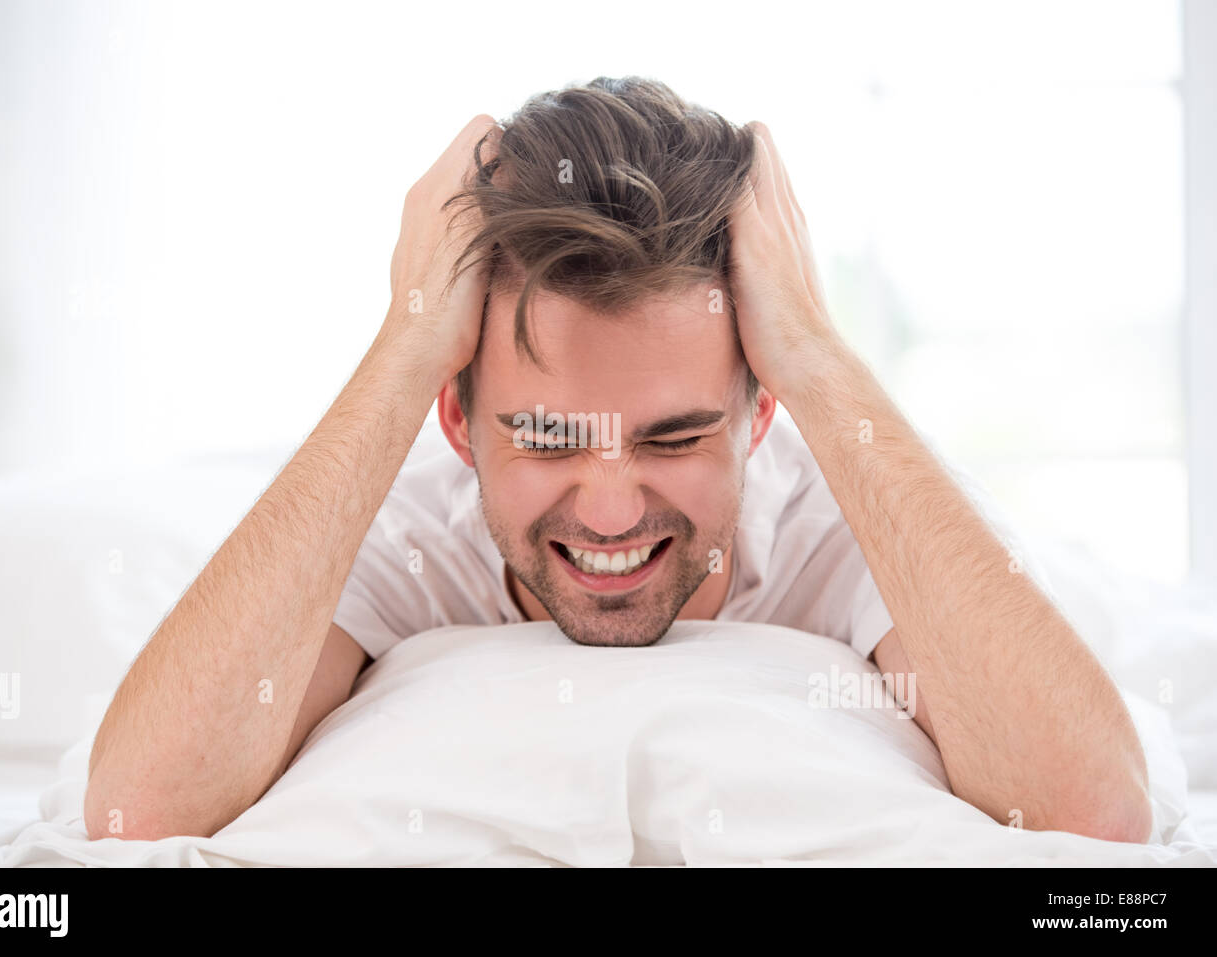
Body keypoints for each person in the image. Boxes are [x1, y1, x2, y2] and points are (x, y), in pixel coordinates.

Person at [84, 76, 1150, 845]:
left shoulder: (853, 525)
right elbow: (142, 816)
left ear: (761, 414)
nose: (606, 510)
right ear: (455, 425)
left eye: (675, 437)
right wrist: (404, 350)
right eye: (544, 438)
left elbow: (1091, 821)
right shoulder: (408, 544)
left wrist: (819, 354)